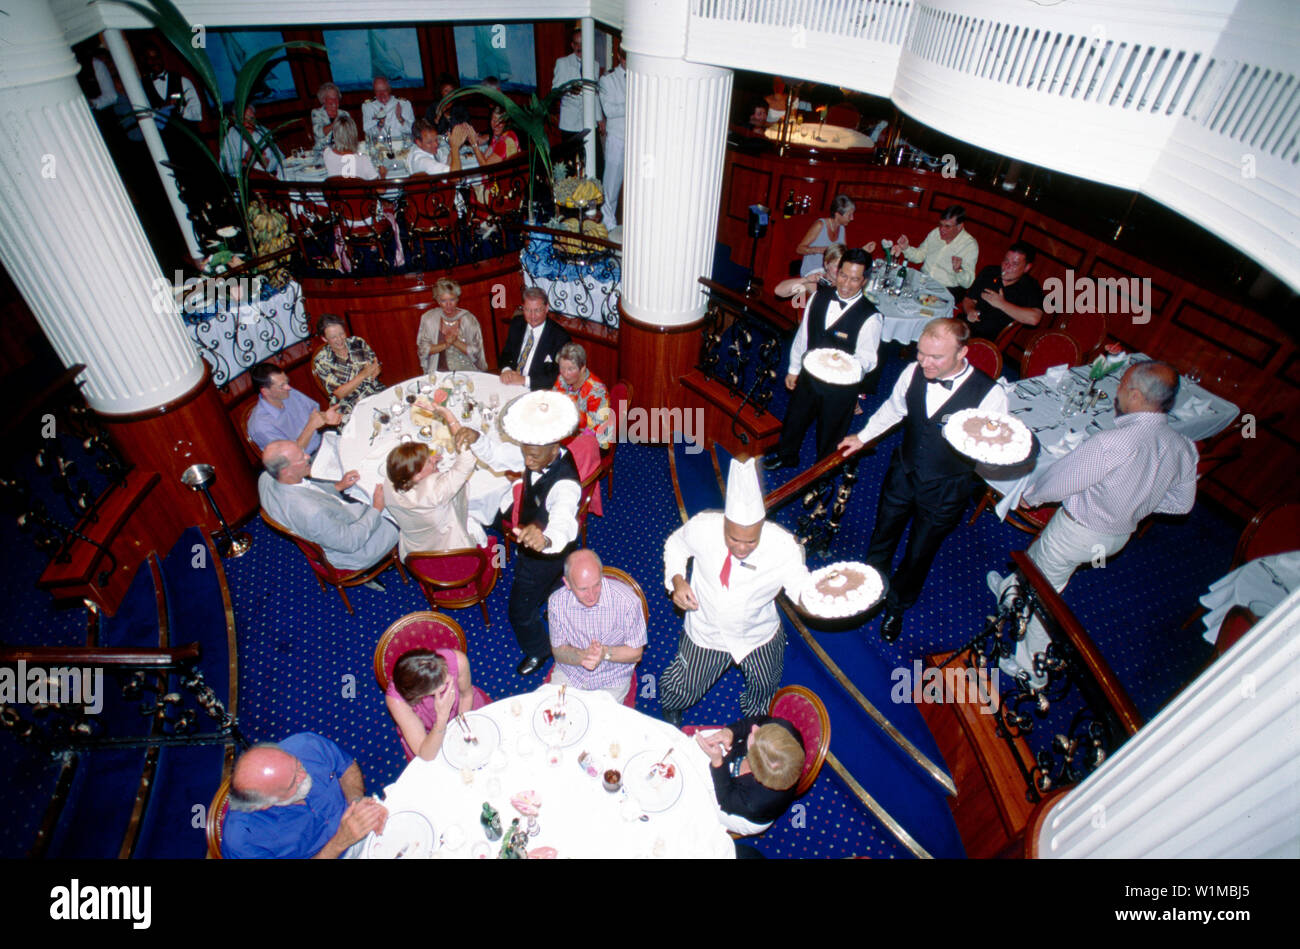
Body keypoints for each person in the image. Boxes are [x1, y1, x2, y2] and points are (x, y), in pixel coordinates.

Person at [988, 361, 1197, 684]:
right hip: (1116, 538)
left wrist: (1033, 497)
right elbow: (1181, 504)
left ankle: (1033, 667)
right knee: (1040, 564)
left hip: (1076, 532)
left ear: (1137, 395)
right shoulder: (1183, 446)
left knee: (1047, 592)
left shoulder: (1112, 443)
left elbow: (1063, 480)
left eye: (1123, 384)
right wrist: (1136, 503)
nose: (1117, 391)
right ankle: (1010, 594)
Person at [838, 318, 1007, 643]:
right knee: (883, 533)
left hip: (946, 487)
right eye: (921, 354)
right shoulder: (913, 371)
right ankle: (870, 588)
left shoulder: (990, 394)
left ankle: (897, 606)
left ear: (962, 353)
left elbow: (993, 447)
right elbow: (893, 408)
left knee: (920, 552)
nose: (925, 363)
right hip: (904, 471)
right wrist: (863, 436)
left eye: (936, 358)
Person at [660, 458, 810, 724]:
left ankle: (753, 723)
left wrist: (814, 599)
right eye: (733, 538)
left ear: (763, 527)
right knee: (684, 686)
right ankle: (672, 708)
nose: (741, 548)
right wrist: (677, 580)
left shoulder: (784, 546)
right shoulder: (704, 526)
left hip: (758, 633)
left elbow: (799, 585)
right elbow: (675, 545)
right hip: (707, 630)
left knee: (765, 685)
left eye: (751, 541)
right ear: (724, 524)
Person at [765, 247, 882, 470]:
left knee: (831, 434)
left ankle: (822, 474)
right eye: (843, 276)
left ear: (864, 281)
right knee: (794, 419)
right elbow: (804, 335)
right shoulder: (819, 296)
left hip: (841, 388)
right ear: (837, 272)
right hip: (809, 376)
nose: (846, 285)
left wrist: (842, 366)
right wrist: (793, 368)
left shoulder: (871, 316)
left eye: (855, 280)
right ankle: (787, 456)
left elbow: (868, 360)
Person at [499, 393, 584, 677]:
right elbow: (502, 457)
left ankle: (538, 649)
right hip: (560, 555)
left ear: (554, 449)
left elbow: (563, 521)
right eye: (525, 454)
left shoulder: (566, 485)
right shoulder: (539, 453)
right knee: (555, 585)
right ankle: (555, 603)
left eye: (532, 456)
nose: (527, 460)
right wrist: (476, 441)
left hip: (542, 556)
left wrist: (546, 539)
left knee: (518, 611)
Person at [222, 733, 388, 859]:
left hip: (363, 827)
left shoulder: (305, 745)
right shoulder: (243, 842)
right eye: (294, 782)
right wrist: (340, 842)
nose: (304, 774)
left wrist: (356, 803)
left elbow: (346, 768)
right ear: (265, 804)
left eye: (297, 765)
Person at [259, 440, 398, 577]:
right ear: (286, 471)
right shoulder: (312, 513)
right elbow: (351, 542)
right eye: (301, 458)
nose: (307, 456)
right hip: (354, 550)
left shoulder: (266, 478)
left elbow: (308, 489)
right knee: (400, 512)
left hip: (330, 525)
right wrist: (377, 509)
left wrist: (339, 486)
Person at [382, 413, 486, 560]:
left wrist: (429, 465)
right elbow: (466, 463)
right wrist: (453, 423)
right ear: (417, 476)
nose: (434, 459)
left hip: (415, 552)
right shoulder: (434, 491)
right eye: (429, 462)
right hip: (451, 550)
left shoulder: (390, 482)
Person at [547, 549, 646, 702]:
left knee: (600, 724)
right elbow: (558, 651)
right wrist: (583, 656)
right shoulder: (556, 602)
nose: (592, 595)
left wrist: (604, 653)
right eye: (583, 589)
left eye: (596, 584)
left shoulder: (628, 602)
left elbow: (636, 653)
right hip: (570, 673)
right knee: (552, 718)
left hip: (612, 679)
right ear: (567, 583)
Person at [695, 716, 805, 835]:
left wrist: (717, 762)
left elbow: (726, 800)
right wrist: (730, 732)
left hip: (744, 816)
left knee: (699, 798)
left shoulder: (756, 802)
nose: (754, 728)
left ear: (753, 766)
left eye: (755, 737)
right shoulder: (786, 733)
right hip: (745, 785)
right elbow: (756, 722)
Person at [384, 647, 487, 761]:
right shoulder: (396, 701)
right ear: (422, 694)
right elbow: (426, 754)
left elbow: (466, 695)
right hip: (430, 731)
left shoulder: (457, 660)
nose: (450, 677)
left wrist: (461, 728)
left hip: (464, 708)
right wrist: (442, 718)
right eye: (443, 682)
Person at [246, 362, 339, 455]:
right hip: (306, 462)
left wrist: (325, 417)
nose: (288, 387)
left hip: (324, 442)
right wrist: (311, 426)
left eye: (286, 382)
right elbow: (291, 457)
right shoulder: (260, 425)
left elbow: (314, 414)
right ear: (265, 392)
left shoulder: (289, 394)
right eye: (281, 386)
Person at [960, 242, 1045, 342]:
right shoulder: (989, 272)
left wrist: (1001, 304)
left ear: (1027, 268)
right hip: (964, 328)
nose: (1006, 267)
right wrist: (970, 310)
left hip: (986, 340)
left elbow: (1034, 319)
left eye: (1014, 264)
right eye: (1006, 260)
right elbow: (969, 299)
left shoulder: (1030, 287)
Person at [893, 205, 979, 299]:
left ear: (960, 227)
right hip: (922, 281)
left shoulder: (969, 246)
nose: (942, 229)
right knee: (895, 290)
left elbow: (968, 283)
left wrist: (959, 269)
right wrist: (906, 248)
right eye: (941, 225)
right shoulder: (935, 233)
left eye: (947, 226)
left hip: (946, 290)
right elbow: (919, 257)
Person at [311, 315, 383, 422]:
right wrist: (364, 374)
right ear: (324, 338)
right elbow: (340, 394)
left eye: (341, 334)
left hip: (374, 390)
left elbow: (377, 369)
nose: (340, 339)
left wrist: (351, 385)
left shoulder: (357, 342)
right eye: (333, 337)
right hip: (348, 405)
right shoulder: (322, 361)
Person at [499, 287, 572, 390]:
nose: (533, 316)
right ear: (523, 308)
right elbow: (506, 353)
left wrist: (524, 380)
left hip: (538, 390)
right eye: (528, 310)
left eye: (537, 310)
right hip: (511, 383)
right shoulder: (517, 323)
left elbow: (560, 376)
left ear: (546, 308)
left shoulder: (560, 337)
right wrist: (506, 370)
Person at [417, 277, 488, 373]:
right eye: (443, 301)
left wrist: (455, 342)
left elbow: (476, 352)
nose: (448, 304)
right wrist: (445, 344)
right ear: (438, 301)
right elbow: (423, 349)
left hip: (466, 371)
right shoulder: (429, 318)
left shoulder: (468, 320)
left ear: (458, 299)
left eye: (452, 299)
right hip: (439, 371)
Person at [554, 342, 614, 449]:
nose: (565, 373)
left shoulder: (597, 392)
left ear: (582, 368)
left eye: (571, 369)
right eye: (562, 368)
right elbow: (553, 403)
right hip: (568, 431)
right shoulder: (562, 379)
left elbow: (592, 434)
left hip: (595, 442)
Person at [597, 47, 626, 225]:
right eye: (625, 57)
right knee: (611, 189)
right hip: (617, 138)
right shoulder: (608, 79)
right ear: (618, 56)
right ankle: (607, 228)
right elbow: (609, 110)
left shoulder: (640, 75)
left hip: (637, 140)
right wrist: (633, 102)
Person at [553, 28, 599, 139]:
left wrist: (599, 119)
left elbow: (596, 94)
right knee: (571, 156)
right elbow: (555, 91)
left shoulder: (595, 64)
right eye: (576, 44)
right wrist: (569, 90)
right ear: (572, 45)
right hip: (569, 123)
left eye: (582, 44)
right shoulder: (562, 63)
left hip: (589, 121)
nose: (579, 47)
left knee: (594, 155)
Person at [795, 195, 855, 277]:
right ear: (837, 214)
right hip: (813, 273)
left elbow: (844, 255)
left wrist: (863, 250)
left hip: (832, 273)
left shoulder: (842, 228)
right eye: (849, 215)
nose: (852, 218)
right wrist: (820, 250)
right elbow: (799, 249)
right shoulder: (820, 225)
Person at [219, 104, 284, 179]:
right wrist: (245, 161)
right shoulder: (230, 136)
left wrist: (268, 163)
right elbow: (223, 167)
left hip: (270, 178)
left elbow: (281, 157)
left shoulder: (263, 131)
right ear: (235, 118)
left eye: (251, 118)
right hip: (245, 183)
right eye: (244, 118)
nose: (248, 122)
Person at [773, 242, 845, 305]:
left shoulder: (847, 284)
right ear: (826, 264)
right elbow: (779, 291)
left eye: (842, 266)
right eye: (836, 266)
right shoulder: (815, 281)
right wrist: (805, 279)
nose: (840, 270)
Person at [323, 112, 384, 180]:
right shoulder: (363, 159)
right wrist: (383, 175)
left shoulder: (327, 153)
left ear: (335, 133)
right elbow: (380, 190)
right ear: (354, 134)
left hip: (336, 190)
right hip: (359, 190)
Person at [361, 76, 413, 141]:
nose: (381, 94)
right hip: (380, 146)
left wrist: (400, 118)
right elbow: (368, 133)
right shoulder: (368, 106)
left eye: (384, 90)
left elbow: (411, 130)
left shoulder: (404, 104)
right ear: (374, 91)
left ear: (389, 89)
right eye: (378, 91)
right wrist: (380, 123)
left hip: (402, 144)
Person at [311, 82, 350, 149]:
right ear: (323, 100)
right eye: (330, 98)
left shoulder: (344, 114)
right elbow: (319, 133)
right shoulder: (317, 113)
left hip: (342, 149)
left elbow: (350, 135)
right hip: (323, 151)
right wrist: (335, 124)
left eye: (336, 97)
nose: (334, 101)